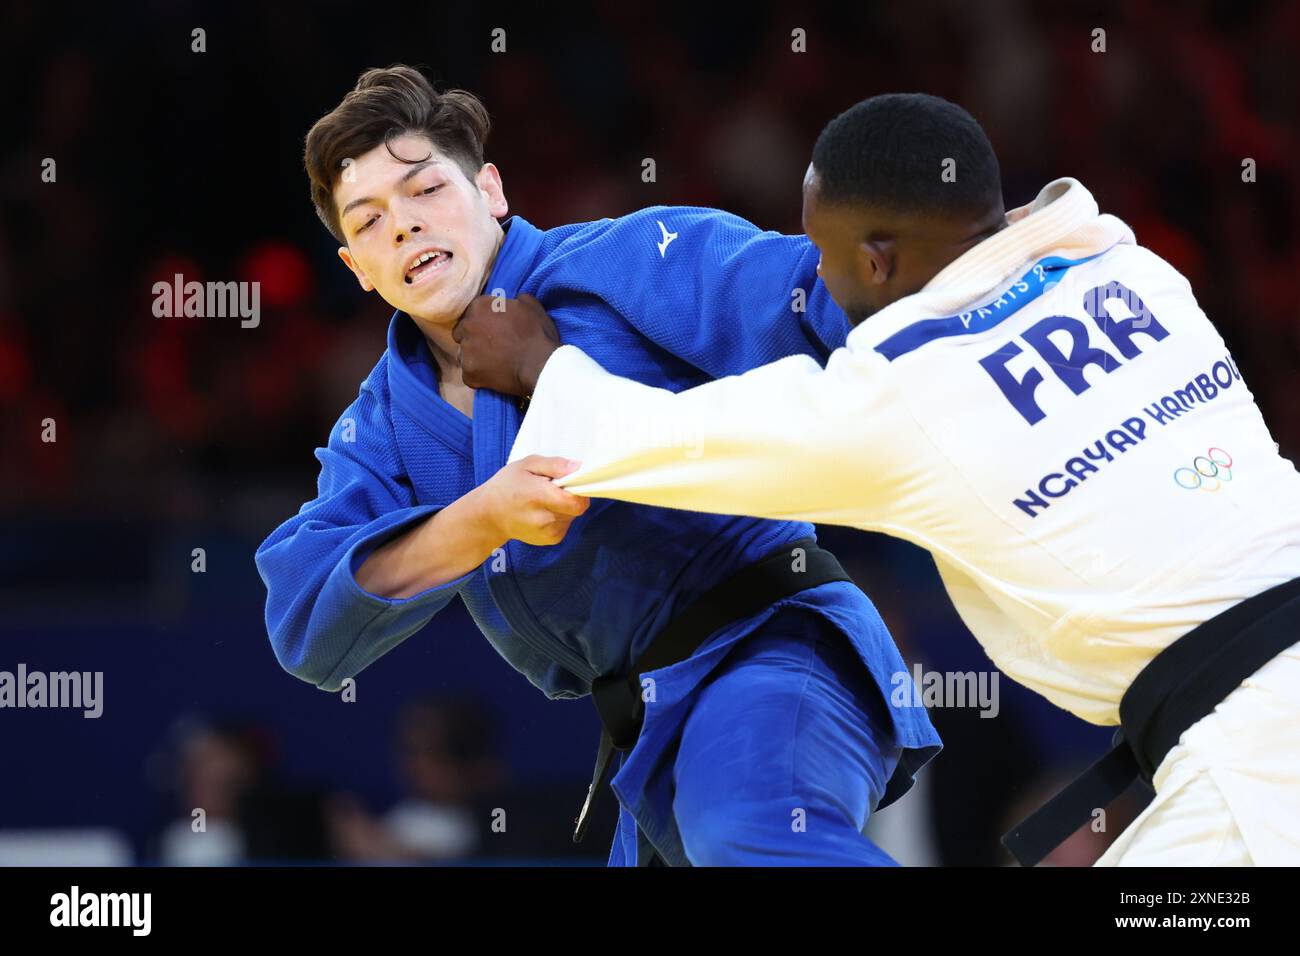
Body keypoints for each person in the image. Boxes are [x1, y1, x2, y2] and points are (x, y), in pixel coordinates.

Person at [459, 93, 1300, 866]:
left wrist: (540, 363)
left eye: (822, 252)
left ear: (877, 258)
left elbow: (674, 443)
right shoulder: (1130, 272)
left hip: (1259, 757)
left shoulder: (903, 400)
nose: (814, 276)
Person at [255, 66, 940, 867]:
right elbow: (306, 621)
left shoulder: (629, 262)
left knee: (749, 837)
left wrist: (957, 259)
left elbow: (819, 295)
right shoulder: (381, 426)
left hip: (775, 653)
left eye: (425, 190)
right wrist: (483, 519)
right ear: (356, 269)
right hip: (649, 733)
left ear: (491, 190)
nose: (402, 227)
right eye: (368, 222)